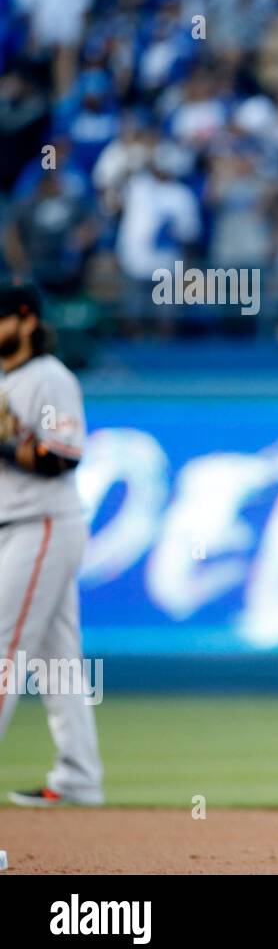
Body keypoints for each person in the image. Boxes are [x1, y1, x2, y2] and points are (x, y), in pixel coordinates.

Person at [0, 281, 104, 807]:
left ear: (26, 320)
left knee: (2, 649)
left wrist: (6, 442)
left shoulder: (50, 378)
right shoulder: (4, 381)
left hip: (42, 524)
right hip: (20, 525)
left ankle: (80, 775)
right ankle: (80, 777)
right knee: (57, 659)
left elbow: (62, 456)